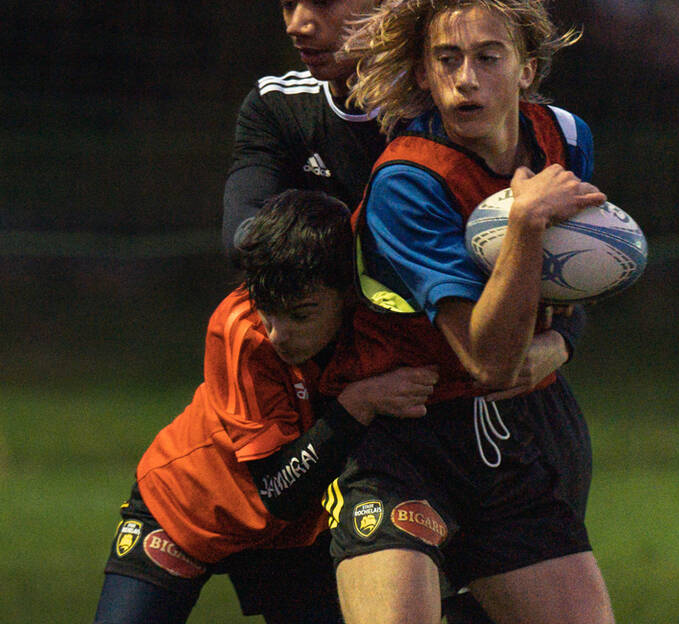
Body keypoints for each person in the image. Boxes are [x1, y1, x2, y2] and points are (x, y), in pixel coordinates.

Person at [326, 0, 617, 624]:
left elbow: (566, 284)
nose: (466, 79)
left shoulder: (565, 138)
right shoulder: (407, 184)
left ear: (526, 69)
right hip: (400, 443)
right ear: (425, 75)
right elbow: (487, 361)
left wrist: (565, 339)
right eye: (447, 59)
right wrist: (524, 220)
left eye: (489, 57)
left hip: (502, 443)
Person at [92, 190, 437, 624]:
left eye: (301, 314)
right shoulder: (241, 330)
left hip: (296, 536)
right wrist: (358, 405)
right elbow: (276, 489)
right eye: (268, 311)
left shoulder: (381, 323)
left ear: (347, 292)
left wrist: (550, 340)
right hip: (186, 509)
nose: (278, 334)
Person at [222, 0, 409, 255]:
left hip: (428, 305)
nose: (296, 25)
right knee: (235, 312)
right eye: (288, 3)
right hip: (323, 302)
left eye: (323, 2)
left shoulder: (445, 101)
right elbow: (242, 239)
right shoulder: (276, 105)